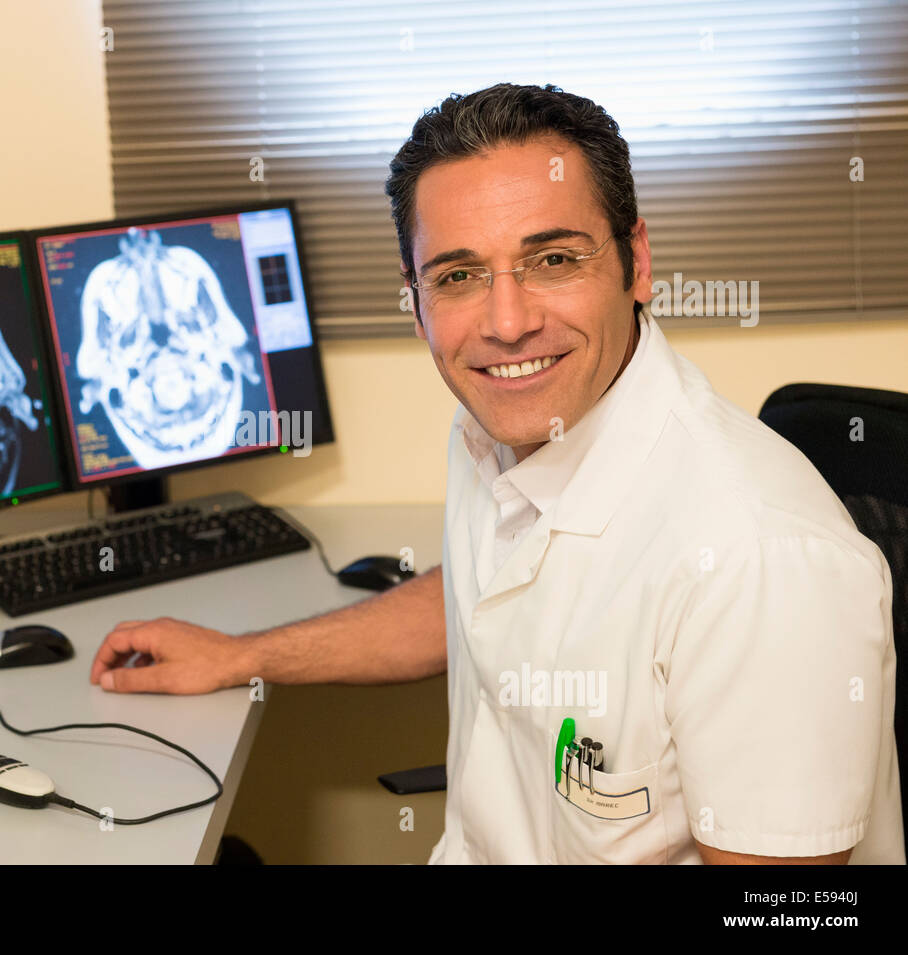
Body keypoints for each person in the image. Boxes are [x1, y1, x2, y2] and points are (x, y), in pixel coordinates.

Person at [89, 83, 903, 864]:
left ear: (637, 261)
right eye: (458, 276)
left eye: (552, 258)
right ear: (414, 300)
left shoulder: (760, 562)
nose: (507, 324)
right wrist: (240, 656)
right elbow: (479, 599)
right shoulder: (499, 420)